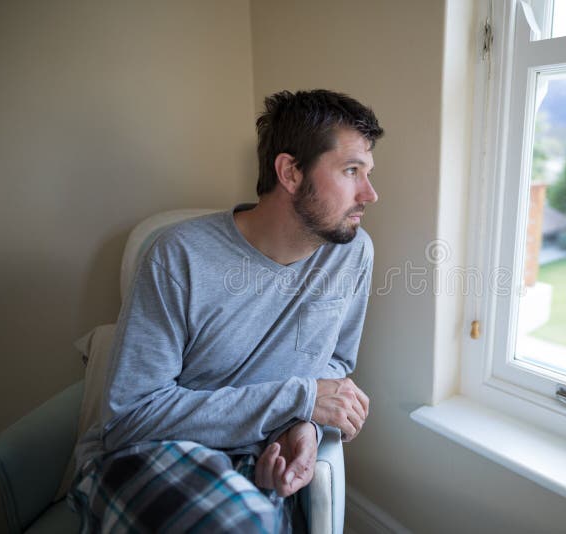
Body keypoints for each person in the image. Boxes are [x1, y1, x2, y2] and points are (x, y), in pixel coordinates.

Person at [69, 89, 383, 533]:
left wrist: (303, 428)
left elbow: (333, 364)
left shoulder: (352, 254)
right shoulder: (178, 256)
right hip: (154, 453)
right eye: (352, 171)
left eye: (367, 172)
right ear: (290, 172)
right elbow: (131, 419)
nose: (370, 194)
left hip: (258, 456)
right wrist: (301, 401)